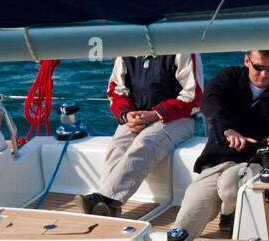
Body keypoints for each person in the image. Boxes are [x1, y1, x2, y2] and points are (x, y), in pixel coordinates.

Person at [171, 50, 269, 241]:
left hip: (255, 161)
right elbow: (209, 101)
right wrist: (226, 129)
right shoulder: (229, 77)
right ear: (246, 61)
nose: (264, 74)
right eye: (258, 67)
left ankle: (229, 214)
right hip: (216, 159)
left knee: (230, 182)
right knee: (190, 209)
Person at [83, 54, 202, 217]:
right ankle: (108, 207)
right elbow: (116, 90)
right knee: (116, 146)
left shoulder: (182, 49)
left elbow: (193, 96)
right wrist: (126, 115)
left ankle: (105, 201)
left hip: (178, 118)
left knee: (145, 141)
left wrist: (155, 114)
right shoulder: (126, 49)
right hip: (137, 115)